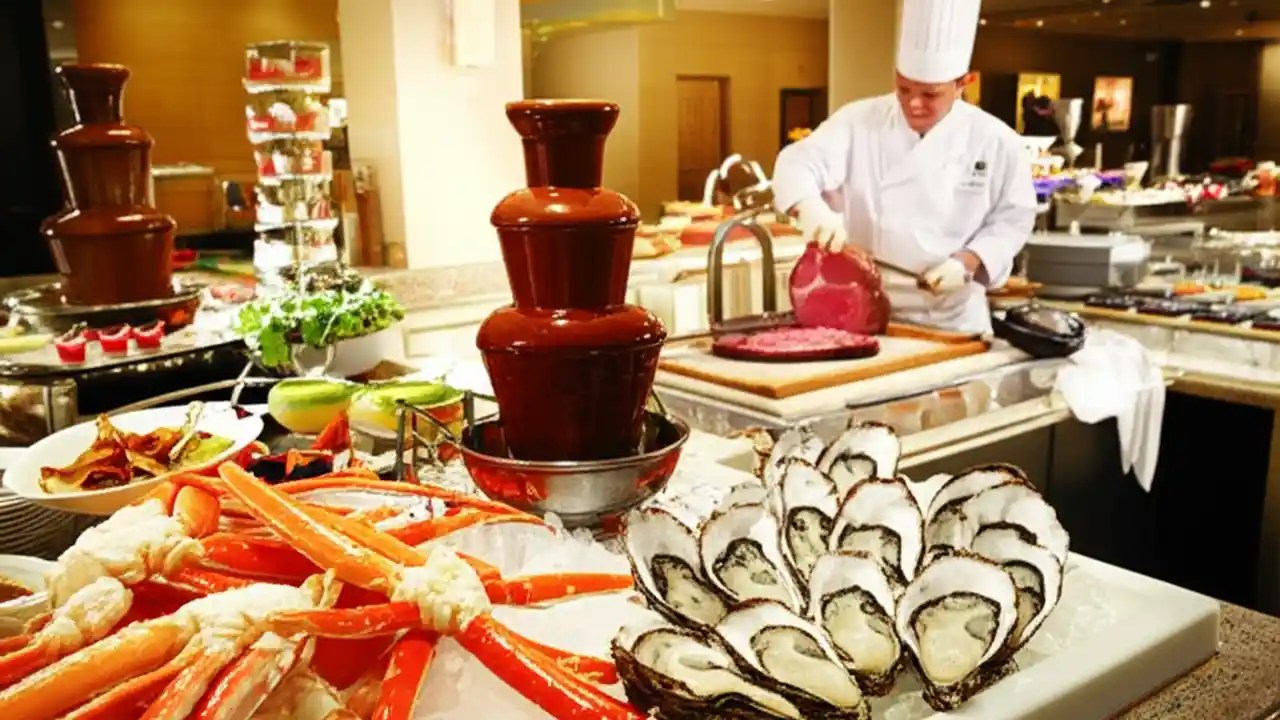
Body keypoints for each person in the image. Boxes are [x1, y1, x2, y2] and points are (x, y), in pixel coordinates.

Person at [772, 0, 1036, 334]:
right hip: (860, 311)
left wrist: (967, 262)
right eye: (904, 88)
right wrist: (810, 208)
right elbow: (798, 162)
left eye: (930, 94)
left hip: (951, 322)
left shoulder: (996, 141)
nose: (913, 103)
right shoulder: (859, 121)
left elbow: (1012, 220)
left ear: (962, 83)